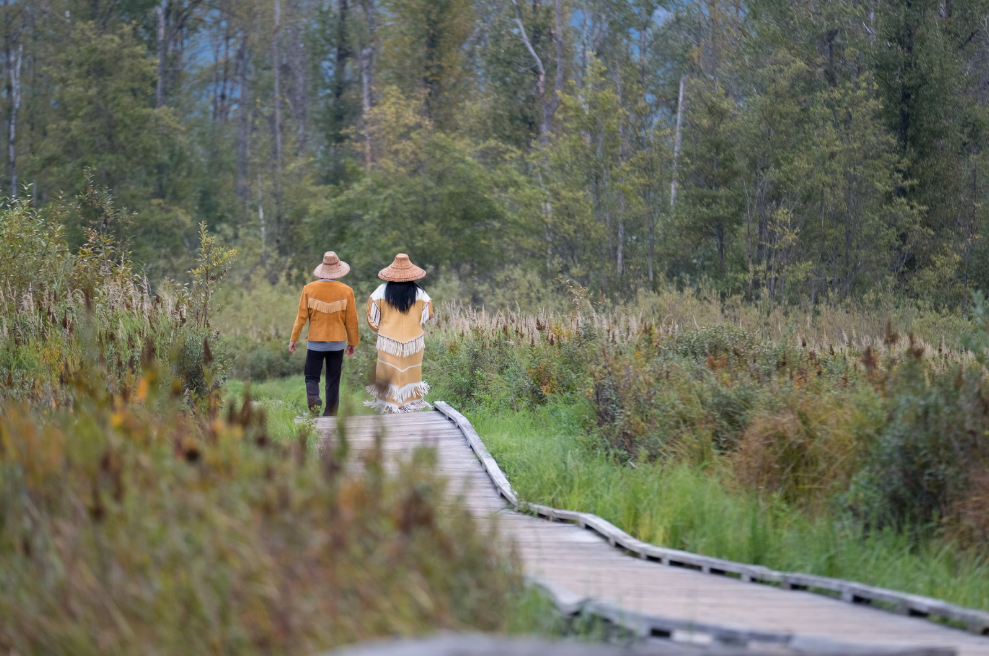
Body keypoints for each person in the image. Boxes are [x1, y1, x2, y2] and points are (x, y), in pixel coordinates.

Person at [289, 251, 359, 416]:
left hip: (316, 342)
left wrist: (294, 339)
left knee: (311, 377)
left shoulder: (309, 289)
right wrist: (352, 342)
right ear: (338, 271)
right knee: (333, 380)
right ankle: (331, 413)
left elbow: (301, 317)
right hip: (337, 343)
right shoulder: (347, 291)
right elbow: (351, 320)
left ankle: (313, 398)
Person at [365, 253, 433, 413]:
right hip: (413, 342)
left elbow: (371, 316)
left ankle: (389, 404)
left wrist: (379, 329)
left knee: (389, 373)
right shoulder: (420, 293)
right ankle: (409, 402)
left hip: (388, 342)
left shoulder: (380, 291)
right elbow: (428, 315)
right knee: (410, 371)